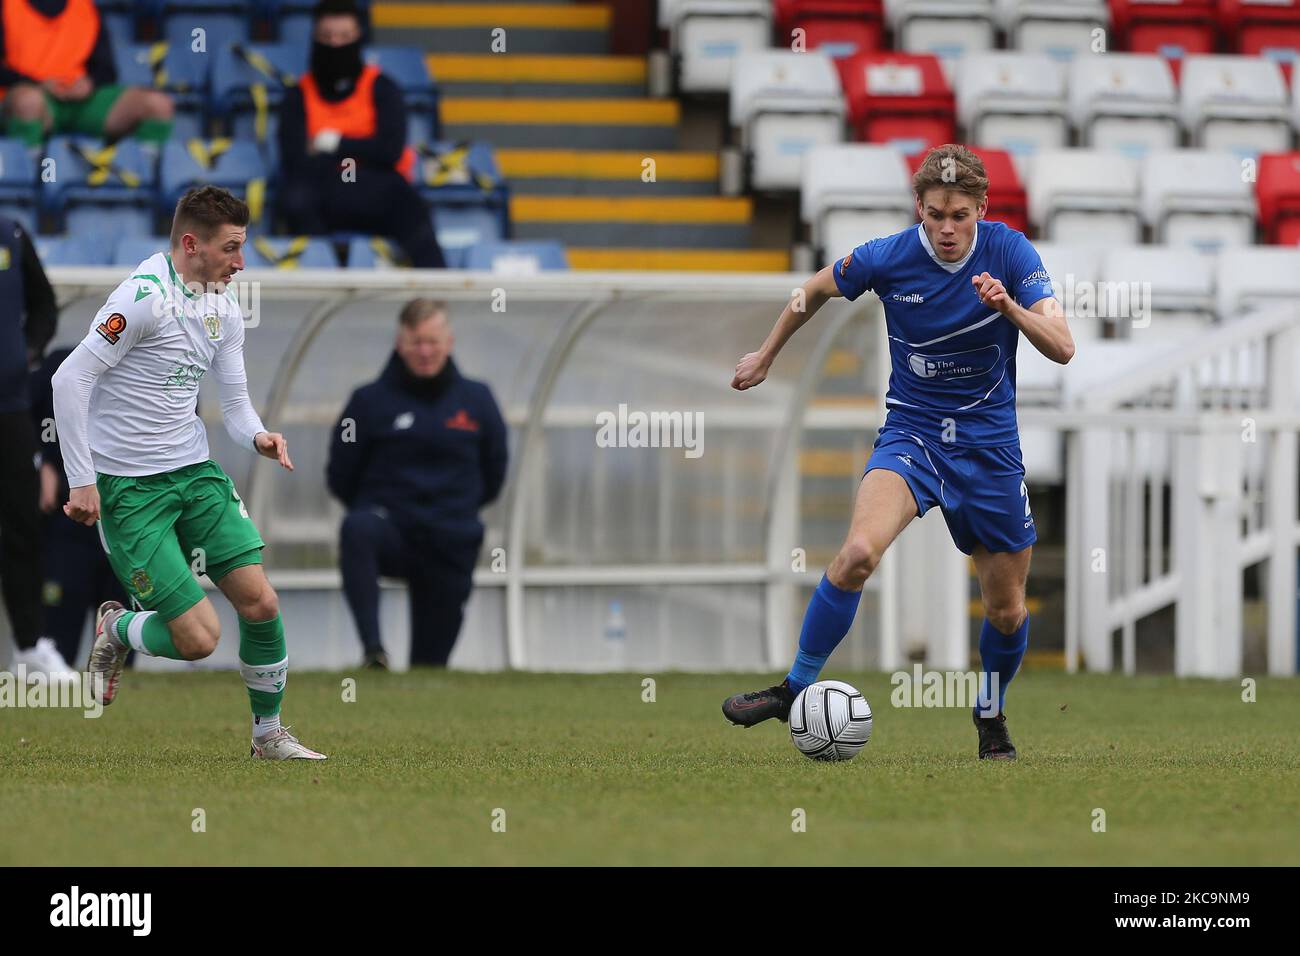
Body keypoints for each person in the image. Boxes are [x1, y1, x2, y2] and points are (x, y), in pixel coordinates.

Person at [721, 144, 1075, 761]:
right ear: (919, 207)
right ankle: (794, 688)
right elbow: (813, 291)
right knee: (857, 553)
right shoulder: (889, 256)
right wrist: (766, 355)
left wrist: (1010, 308)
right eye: (935, 213)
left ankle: (990, 712)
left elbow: (1064, 346)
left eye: (959, 215)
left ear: (980, 210)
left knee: (1008, 611)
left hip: (989, 448)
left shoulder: (1011, 253)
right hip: (913, 434)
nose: (946, 227)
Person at [52, 185, 326, 760]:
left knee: (261, 602)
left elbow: (234, 405)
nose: (240, 263)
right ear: (192, 243)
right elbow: (68, 381)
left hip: (195, 473)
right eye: (231, 249)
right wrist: (82, 480)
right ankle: (118, 628)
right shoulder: (142, 298)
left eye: (243, 247)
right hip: (130, 490)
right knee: (201, 640)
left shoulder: (224, 306)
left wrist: (258, 435)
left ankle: (267, 735)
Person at [327, 299, 507, 669]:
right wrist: (375, 507)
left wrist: (458, 513)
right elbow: (341, 474)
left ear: (449, 341)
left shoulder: (478, 400)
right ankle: (373, 650)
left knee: (430, 664)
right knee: (358, 527)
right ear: (400, 344)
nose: (424, 351)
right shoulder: (368, 402)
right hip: (390, 529)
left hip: (451, 536)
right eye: (416, 342)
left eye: (432, 341)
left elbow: (495, 470)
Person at [277, 0, 444, 267]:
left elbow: (389, 151)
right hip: (323, 190)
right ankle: (322, 282)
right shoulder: (298, 95)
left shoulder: (383, 87)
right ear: (315, 38)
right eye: (327, 37)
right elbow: (295, 159)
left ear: (358, 37)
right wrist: (363, 149)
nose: (335, 45)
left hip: (378, 189)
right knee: (294, 199)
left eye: (344, 36)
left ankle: (437, 296)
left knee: (411, 206)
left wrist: (332, 143)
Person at [30, 346, 130, 669]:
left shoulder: (153, 363)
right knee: (59, 632)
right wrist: (43, 460)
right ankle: (55, 680)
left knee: (120, 620)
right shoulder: (60, 365)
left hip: (128, 517)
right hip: (68, 520)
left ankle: (119, 694)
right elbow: (25, 416)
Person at [0, 213, 67, 675]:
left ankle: (29, 647)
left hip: (9, 407)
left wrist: (23, 354)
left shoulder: (12, 233)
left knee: (22, 524)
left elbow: (44, 306)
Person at [0, 0, 174, 147]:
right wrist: (37, 84)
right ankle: (27, 175)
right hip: (27, 98)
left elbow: (106, 69)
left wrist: (89, 83)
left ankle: (144, 174)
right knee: (28, 101)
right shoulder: (7, 5)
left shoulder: (84, 7)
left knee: (158, 104)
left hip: (81, 100)